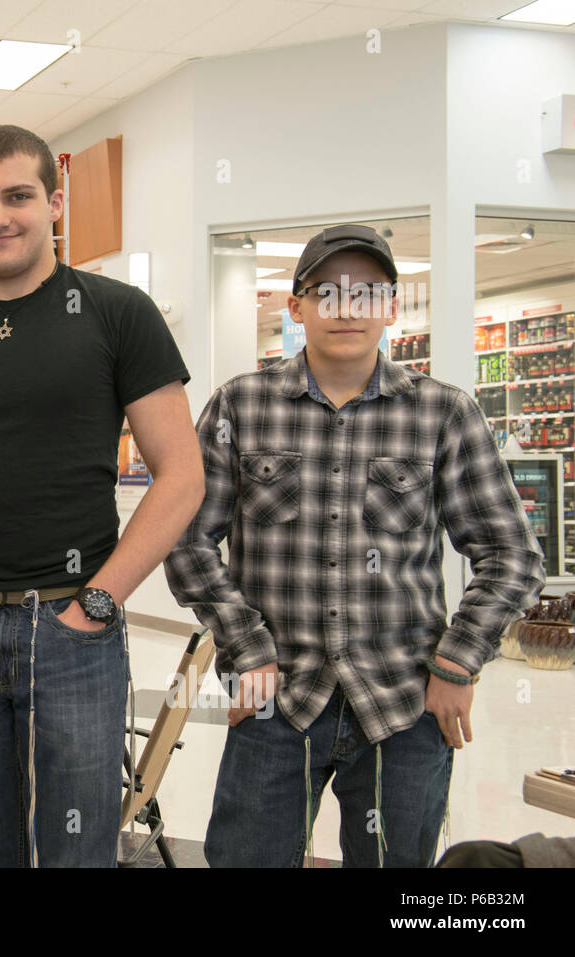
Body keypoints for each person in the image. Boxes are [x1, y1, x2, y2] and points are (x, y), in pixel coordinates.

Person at [164, 224, 546, 867]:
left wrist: (457, 663)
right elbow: (186, 540)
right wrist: (246, 647)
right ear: (296, 307)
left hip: (406, 703)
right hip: (275, 702)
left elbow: (511, 553)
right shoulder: (241, 404)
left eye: (368, 293)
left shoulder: (443, 413)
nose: (349, 309)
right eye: (327, 292)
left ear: (393, 306)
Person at [0, 125, 205, 867]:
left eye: (17, 196)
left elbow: (183, 475)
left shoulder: (118, 313)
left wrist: (96, 604)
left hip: (74, 630)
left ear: (55, 202)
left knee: (76, 851)